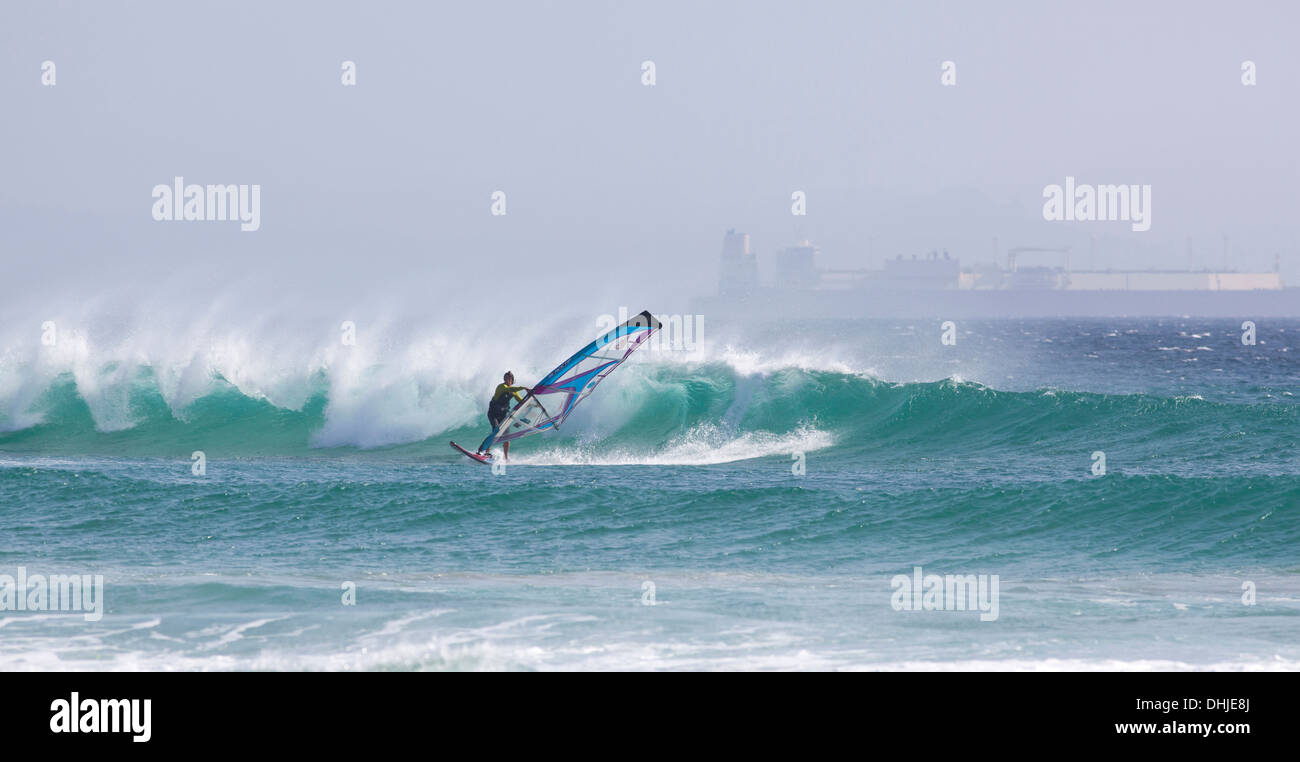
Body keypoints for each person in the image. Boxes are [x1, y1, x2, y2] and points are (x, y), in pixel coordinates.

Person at [480, 371, 529, 460]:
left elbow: (521, 401)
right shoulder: (501, 387)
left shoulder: (514, 392)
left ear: (512, 380)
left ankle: (506, 457)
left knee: (506, 436)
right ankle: (486, 452)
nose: (506, 380)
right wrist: (523, 388)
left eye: (509, 379)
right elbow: (510, 389)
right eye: (505, 378)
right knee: (495, 430)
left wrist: (530, 402)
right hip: (493, 413)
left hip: (503, 415)